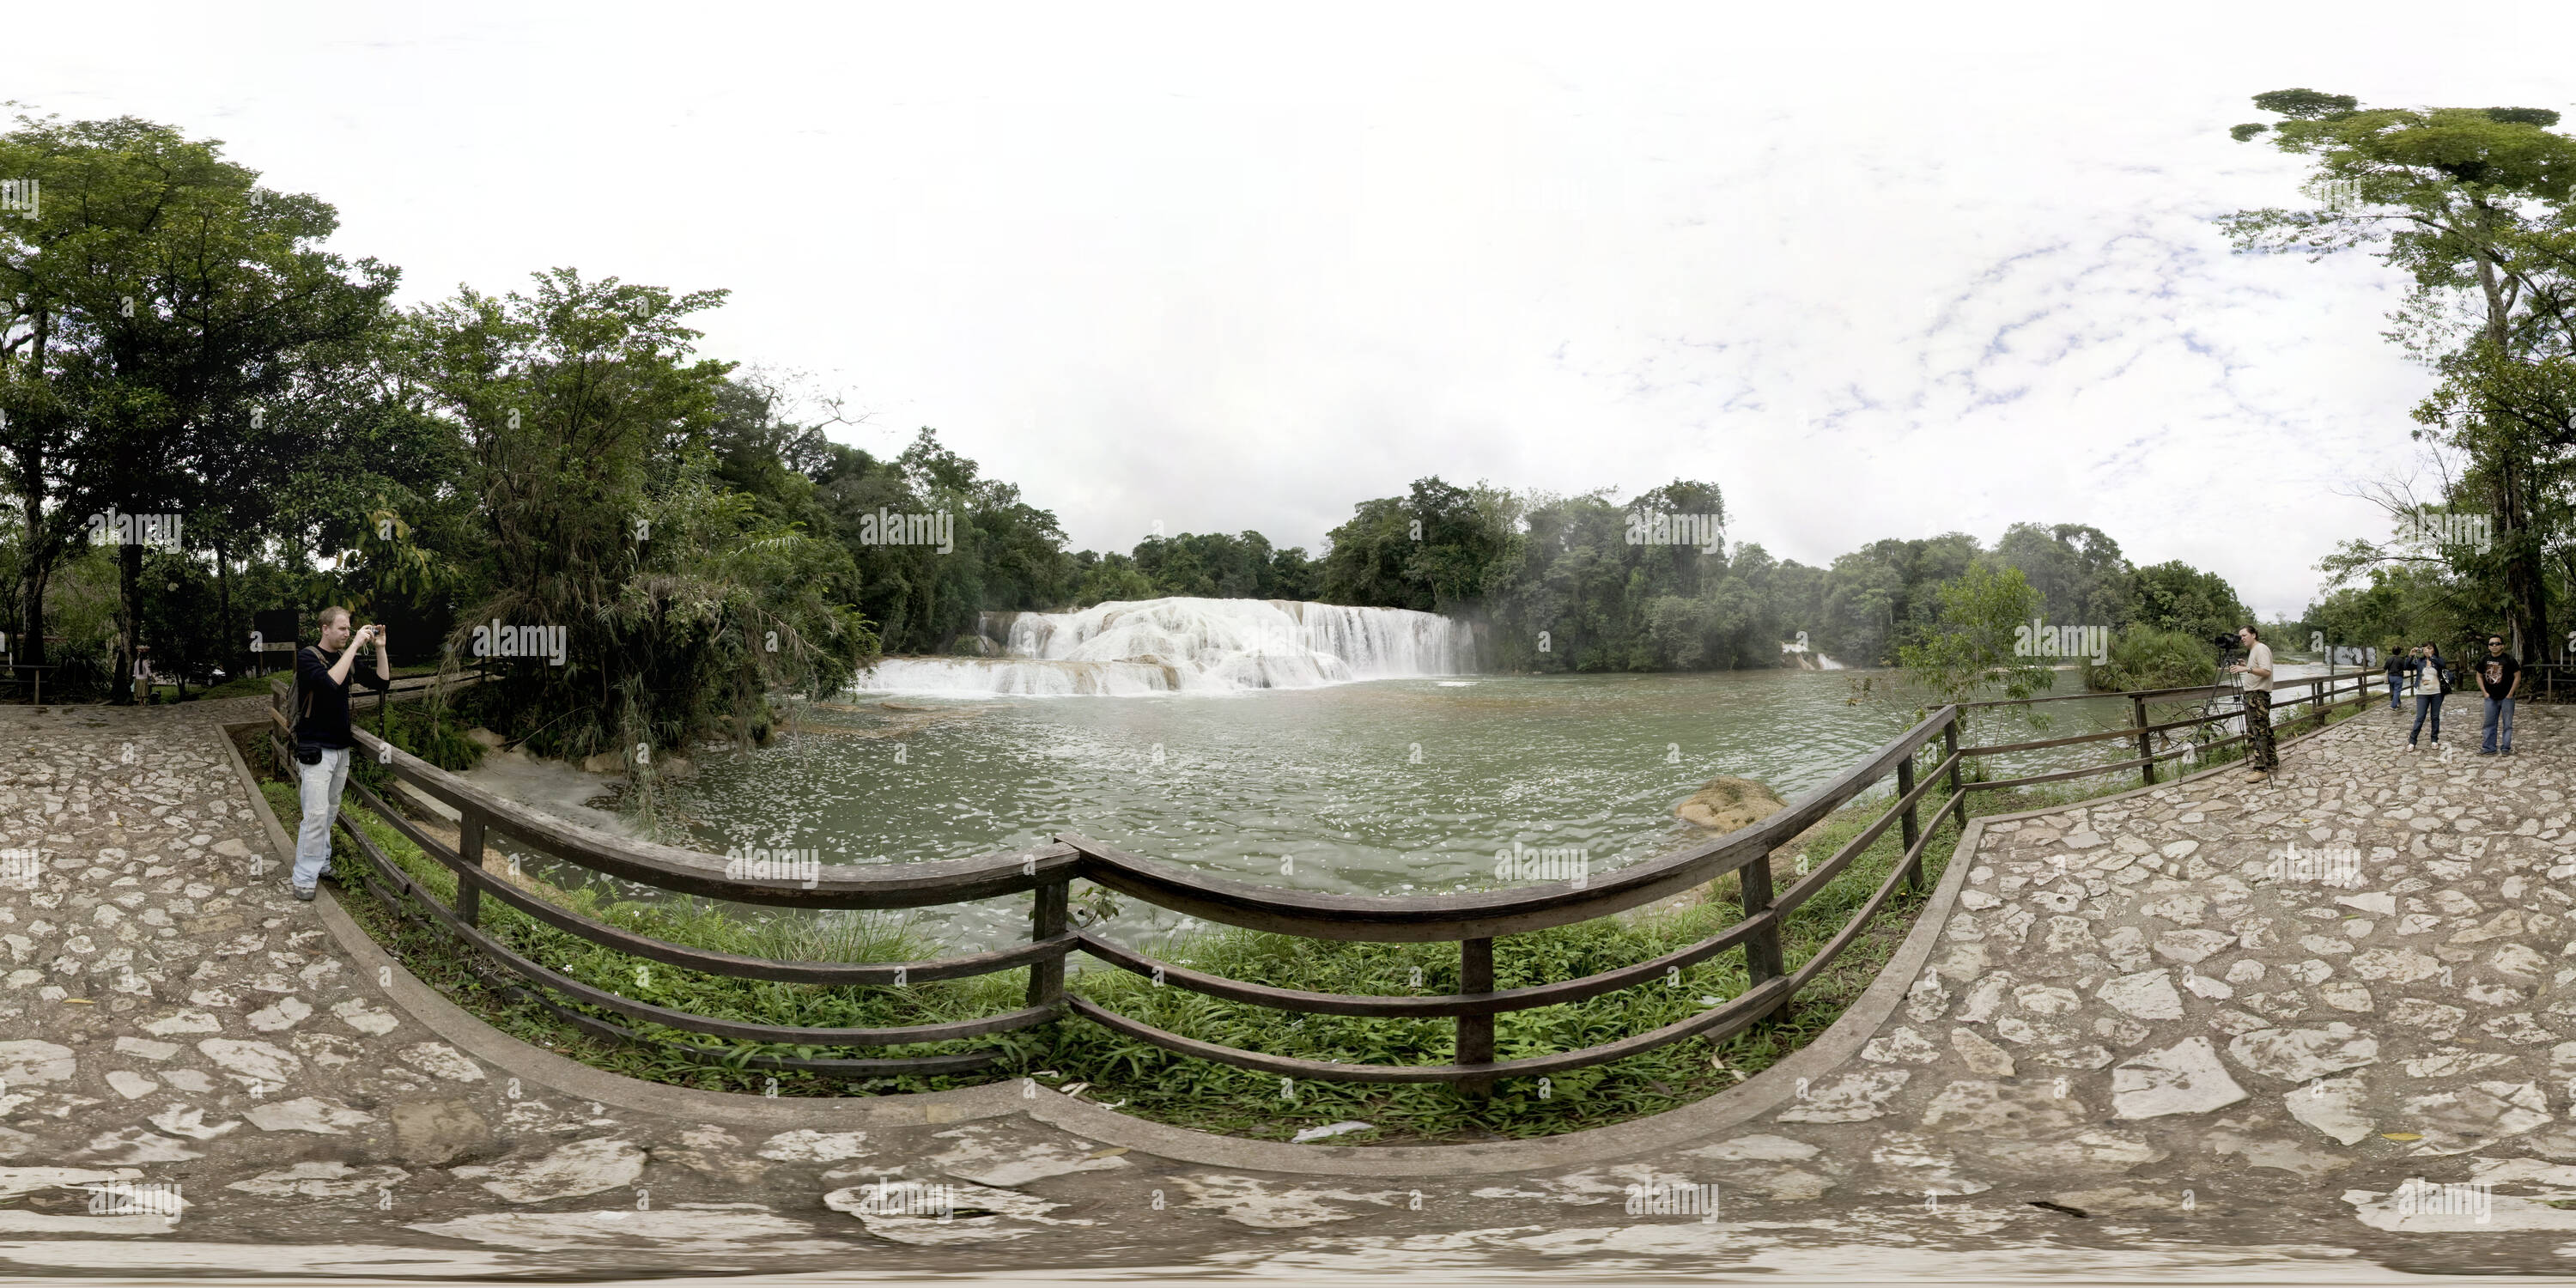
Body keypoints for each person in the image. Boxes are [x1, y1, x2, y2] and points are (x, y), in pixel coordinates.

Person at [290, 608, 392, 902]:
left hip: (341, 749)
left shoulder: (348, 658)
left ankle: (322, 863)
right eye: (343, 629)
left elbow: (382, 683)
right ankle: (304, 878)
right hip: (315, 750)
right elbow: (329, 684)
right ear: (325, 629)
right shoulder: (308, 656)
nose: (348, 634)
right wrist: (357, 646)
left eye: (350, 630)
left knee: (330, 812)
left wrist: (381, 649)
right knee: (315, 815)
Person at [2227, 624, 2276, 782]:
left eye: (2244, 635)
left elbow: (2266, 671)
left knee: (2257, 732)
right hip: (2256, 695)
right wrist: (2246, 666)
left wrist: (2246, 669)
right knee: (2264, 730)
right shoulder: (2254, 651)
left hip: (2258, 696)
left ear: (2253, 635)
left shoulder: (2260, 649)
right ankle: (2271, 762)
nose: (2241, 638)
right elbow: (2257, 669)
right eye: (2240, 636)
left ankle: (2261, 769)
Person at [2477, 634, 2522, 756]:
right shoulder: (2484, 659)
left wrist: (2510, 693)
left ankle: (2506, 748)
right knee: (2489, 724)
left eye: (2497, 643)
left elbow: (2517, 676)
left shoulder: (2509, 659)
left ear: (2502, 646)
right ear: (2489, 646)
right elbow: (2479, 675)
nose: (2494, 646)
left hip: (2507, 697)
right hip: (2490, 697)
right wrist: (2484, 693)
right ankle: (2488, 748)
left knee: (2507, 724)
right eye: (2491, 644)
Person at [2408, 642, 2449, 752]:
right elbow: (2407, 667)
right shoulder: (2420, 661)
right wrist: (2411, 655)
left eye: (2430, 648)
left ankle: (2434, 740)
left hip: (2437, 693)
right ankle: (2412, 741)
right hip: (2422, 693)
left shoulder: (2438, 660)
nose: (2427, 650)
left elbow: (2443, 665)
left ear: (2434, 650)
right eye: (2425, 648)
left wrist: (2431, 657)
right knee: (2420, 718)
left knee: (2435, 717)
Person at [2384, 644, 2410, 712]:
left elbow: (2385, 668)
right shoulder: (2401, 660)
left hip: (2391, 677)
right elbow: (2405, 668)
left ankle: (2398, 703)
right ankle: (2393, 706)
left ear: (2392, 651)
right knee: (2397, 691)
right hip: (2398, 677)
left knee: (2394, 691)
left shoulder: (2389, 659)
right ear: (2399, 652)